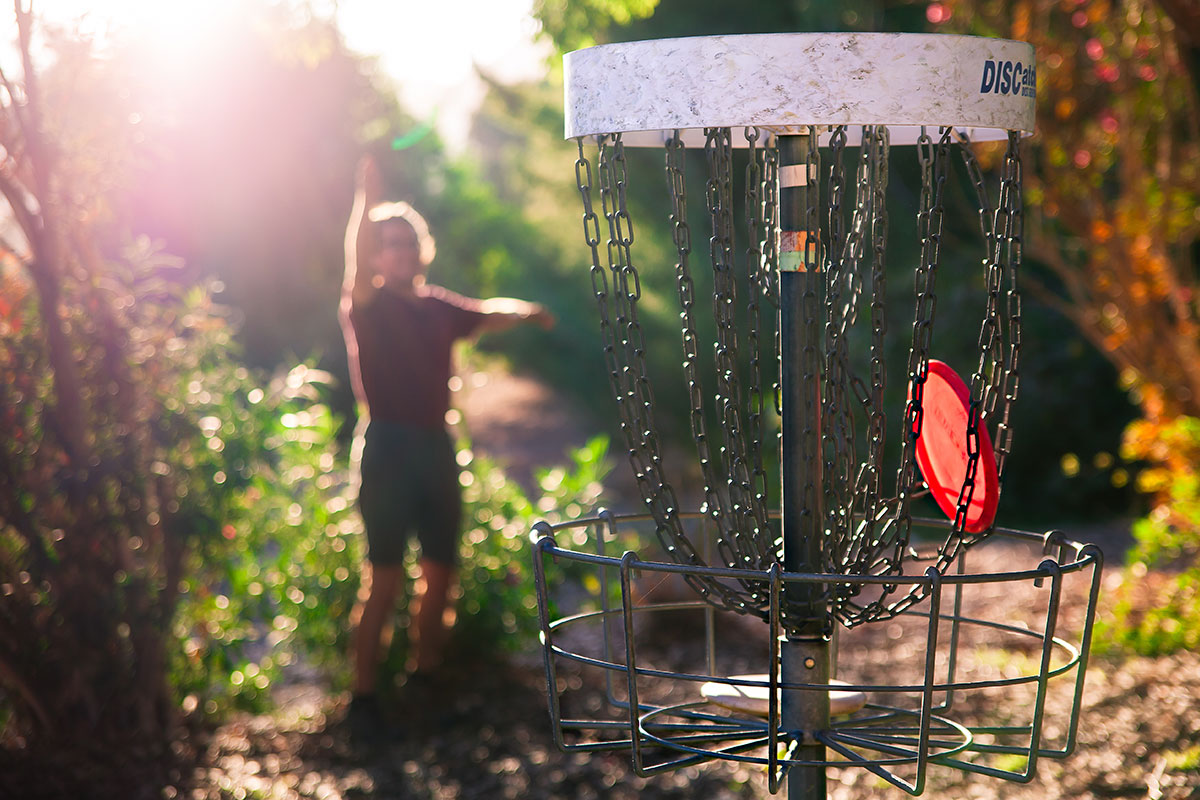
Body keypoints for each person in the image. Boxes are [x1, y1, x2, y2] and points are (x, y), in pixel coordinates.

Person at [340, 156, 553, 739]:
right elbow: (354, 258)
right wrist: (368, 196)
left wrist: (529, 312)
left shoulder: (437, 308)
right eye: (388, 244)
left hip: (436, 449)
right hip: (386, 449)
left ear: (421, 250)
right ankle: (363, 698)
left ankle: (425, 676)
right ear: (377, 255)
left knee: (440, 572)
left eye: (408, 242)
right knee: (383, 577)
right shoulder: (367, 305)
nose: (399, 252)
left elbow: (487, 313)